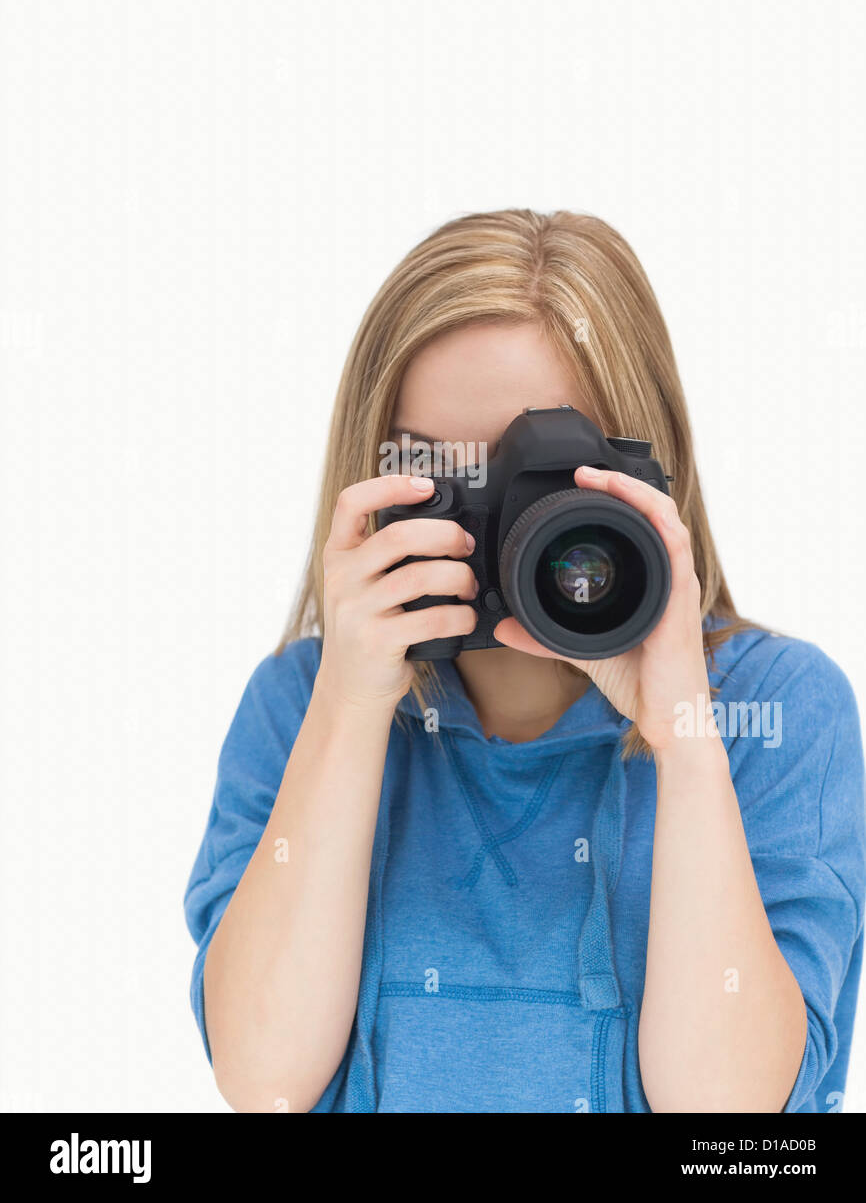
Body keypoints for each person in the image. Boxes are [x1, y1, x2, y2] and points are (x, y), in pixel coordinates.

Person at [184, 209, 865, 1113]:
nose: (504, 531)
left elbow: (731, 1124)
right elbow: (264, 1080)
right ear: (374, 472)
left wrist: (685, 740)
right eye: (454, 478)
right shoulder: (302, 706)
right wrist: (348, 711)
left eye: (540, 479)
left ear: (647, 475)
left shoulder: (775, 709)